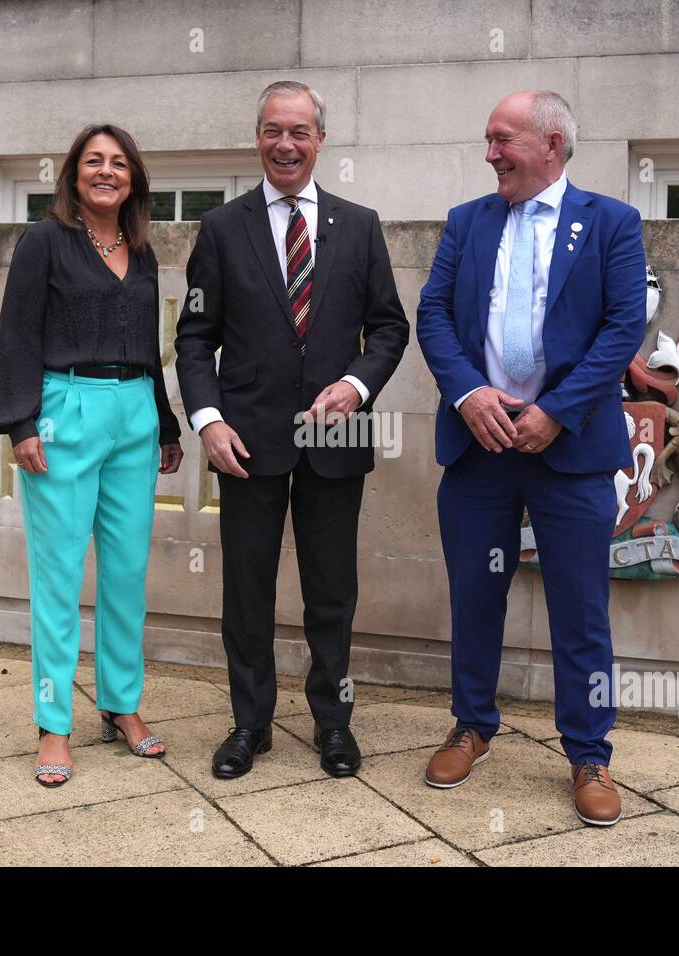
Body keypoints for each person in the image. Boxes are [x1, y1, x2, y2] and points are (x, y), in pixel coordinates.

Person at [415, 90, 647, 825]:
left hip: (569, 449)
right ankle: (473, 725)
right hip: (480, 445)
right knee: (475, 596)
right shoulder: (466, 224)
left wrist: (556, 410)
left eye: (501, 139)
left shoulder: (611, 223)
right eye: (488, 140)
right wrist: (468, 395)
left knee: (581, 610)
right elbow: (433, 317)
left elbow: (623, 328)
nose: (490, 154)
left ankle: (589, 754)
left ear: (551, 143)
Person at [175, 81, 409, 779]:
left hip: (336, 439)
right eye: (274, 130)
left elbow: (391, 326)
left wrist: (357, 384)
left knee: (331, 593)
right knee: (246, 591)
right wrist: (208, 421)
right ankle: (250, 725)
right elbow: (194, 337)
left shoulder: (360, 224)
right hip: (245, 440)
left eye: (299, 131)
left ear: (320, 140)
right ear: (258, 138)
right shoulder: (221, 229)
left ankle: (333, 726)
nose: (286, 143)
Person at [0, 123, 184, 787]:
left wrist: (163, 424)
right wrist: (20, 425)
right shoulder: (44, 242)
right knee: (59, 577)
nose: (107, 172)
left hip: (132, 413)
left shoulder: (142, 250)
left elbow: (150, 343)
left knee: (126, 572)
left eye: (119, 163)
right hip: (63, 410)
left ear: (134, 179)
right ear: (74, 174)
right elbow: (16, 334)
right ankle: (53, 725)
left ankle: (121, 705)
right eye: (94, 161)